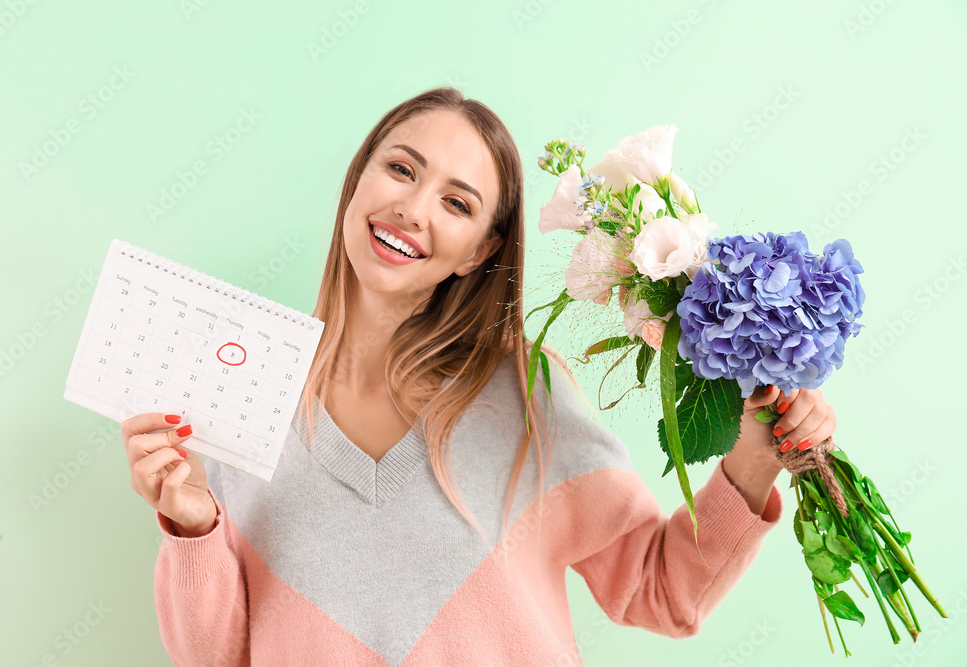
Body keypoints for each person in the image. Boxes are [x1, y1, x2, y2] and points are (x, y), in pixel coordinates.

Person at [120, 87, 837, 666]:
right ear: (360, 177)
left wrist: (750, 462)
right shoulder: (247, 382)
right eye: (400, 169)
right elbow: (217, 655)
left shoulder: (527, 394)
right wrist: (189, 522)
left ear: (479, 250)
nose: (412, 206)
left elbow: (662, 590)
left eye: (457, 202)